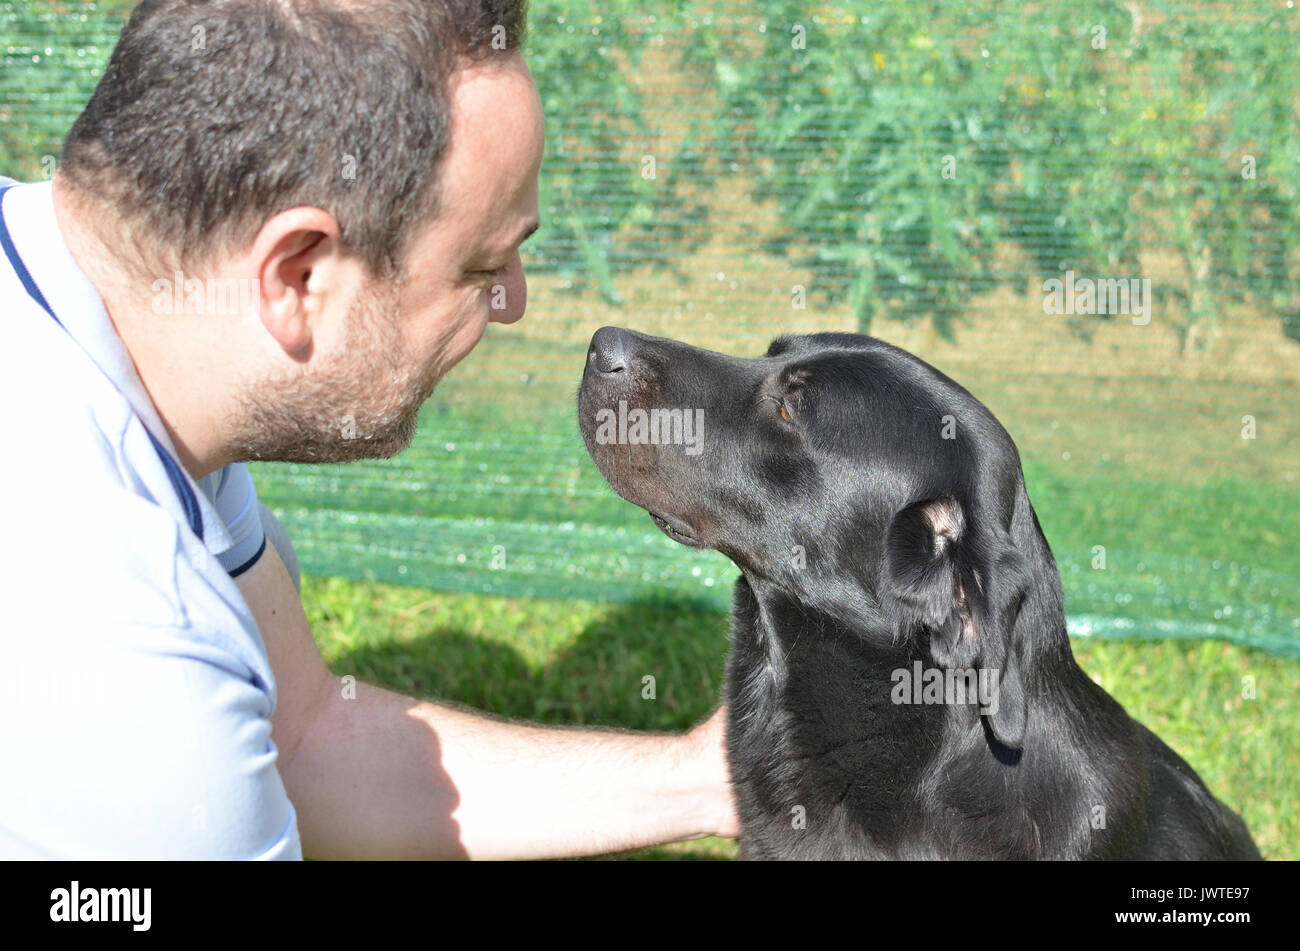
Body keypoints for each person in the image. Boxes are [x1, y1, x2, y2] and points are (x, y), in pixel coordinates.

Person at [0, 0, 736, 859]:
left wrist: (708, 777)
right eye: (482, 265)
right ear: (298, 275)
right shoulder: (142, 685)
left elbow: (304, 736)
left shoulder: (122, 355)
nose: (515, 302)